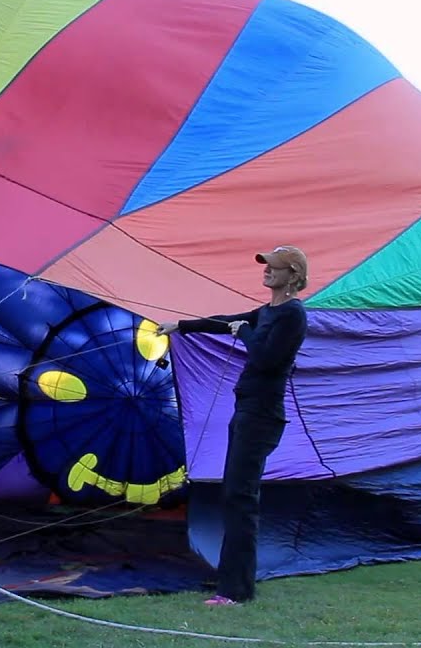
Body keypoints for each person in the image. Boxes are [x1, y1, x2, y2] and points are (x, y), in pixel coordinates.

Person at [154, 245, 310, 606]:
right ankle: (232, 584)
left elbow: (267, 359)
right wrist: (181, 326)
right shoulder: (268, 311)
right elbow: (227, 321)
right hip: (246, 409)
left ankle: (235, 591)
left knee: (241, 498)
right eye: (266, 266)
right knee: (234, 496)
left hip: (263, 415)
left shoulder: (292, 315)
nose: (267, 271)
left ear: (293, 275)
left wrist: (245, 334)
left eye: (274, 267)